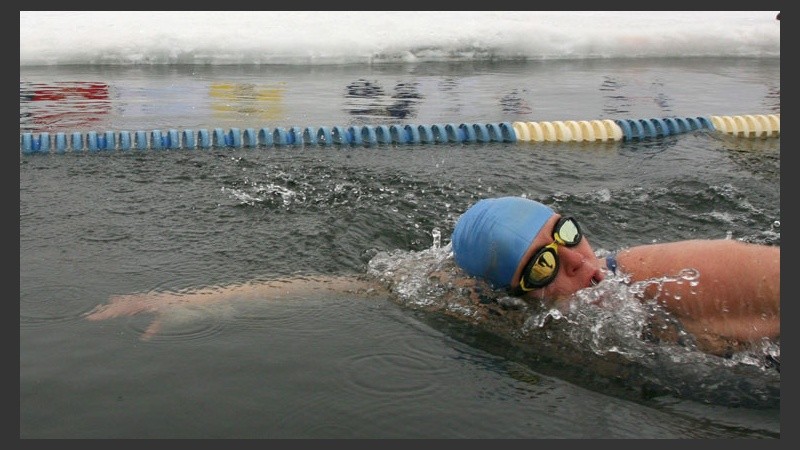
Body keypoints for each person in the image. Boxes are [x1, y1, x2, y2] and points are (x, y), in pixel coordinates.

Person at [86, 196, 779, 357]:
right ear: (514, 293)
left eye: (566, 233)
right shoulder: (487, 310)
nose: (582, 265)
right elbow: (350, 287)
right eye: (546, 264)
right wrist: (201, 306)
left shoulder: (667, 277)